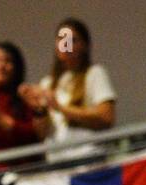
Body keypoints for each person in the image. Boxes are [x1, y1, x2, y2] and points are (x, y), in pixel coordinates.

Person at [24, 19, 116, 156]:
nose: (65, 45)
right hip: (56, 160)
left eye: (72, 40)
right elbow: (42, 135)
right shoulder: (47, 83)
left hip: (88, 155)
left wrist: (60, 108)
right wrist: (39, 110)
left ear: (85, 46)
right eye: (61, 39)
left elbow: (106, 118)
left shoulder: (94, 74)